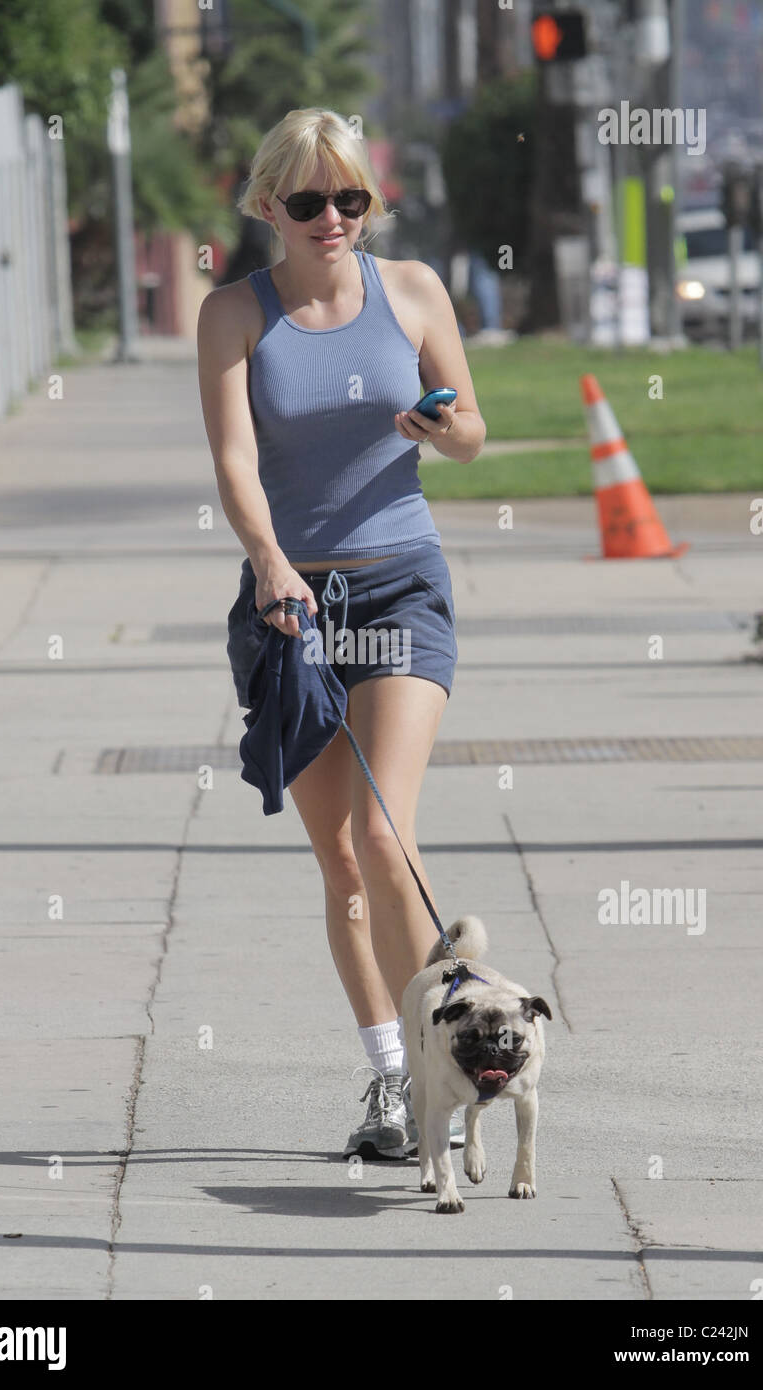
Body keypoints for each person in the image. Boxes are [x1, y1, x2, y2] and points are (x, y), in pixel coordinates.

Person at [197, 108, 486, 1160]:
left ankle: (450, 1064)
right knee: (341, 865)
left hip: (402, 585)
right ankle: (392, 1081)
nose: (333, 219)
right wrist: (270, 563)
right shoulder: (234, 313)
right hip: (293, 607)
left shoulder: (409, 291)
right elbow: (235, 461)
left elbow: (470, 433)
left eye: (351, 199)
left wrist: (439, 424)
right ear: (268, 202)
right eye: (310, 200)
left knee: (383, 833)